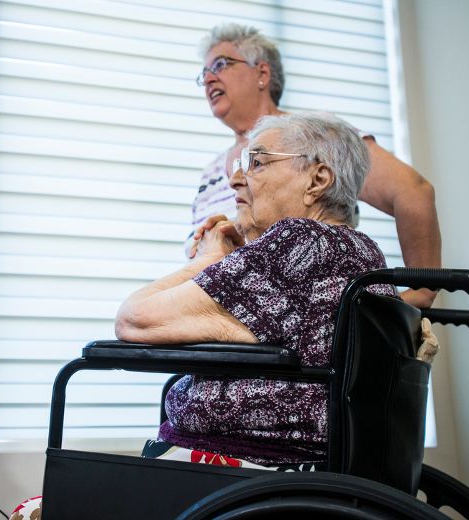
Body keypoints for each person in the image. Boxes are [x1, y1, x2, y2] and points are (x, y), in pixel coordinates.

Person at [116, 113, 398, 467]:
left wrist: (208, 258)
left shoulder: (298, 240)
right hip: (299, 463)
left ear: (317, 180)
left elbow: (134, 320)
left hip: (248, 470)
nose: (235, 180)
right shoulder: (362, 249)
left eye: (257, 162)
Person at [189, 23, 440, 309]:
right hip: (217, 324)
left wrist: (422, 292)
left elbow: (413, 192)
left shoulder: (316, 138)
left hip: (294, 328)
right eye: (203, 73)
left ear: (262, 73)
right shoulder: (209, 176)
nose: (208, 79)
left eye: (221, 64)